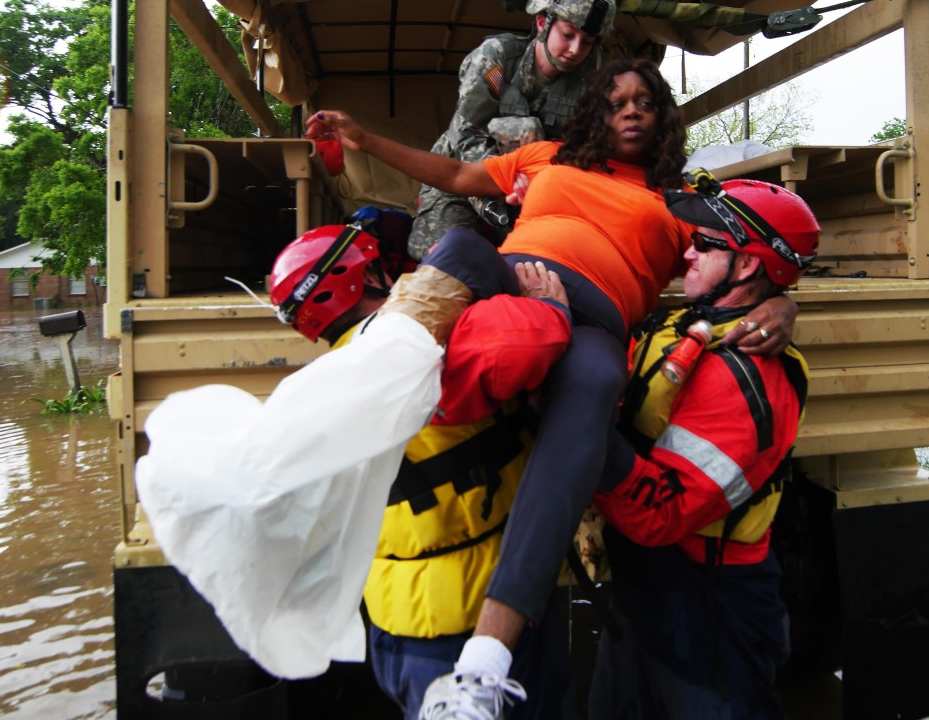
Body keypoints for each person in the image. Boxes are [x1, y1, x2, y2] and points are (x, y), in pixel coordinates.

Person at [307, 58, 799, 719]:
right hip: (499, 275)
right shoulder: (546, 157)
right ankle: (334, 405)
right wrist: (364, 141)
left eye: (644, 103)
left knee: (596, 387)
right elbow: (453, 176)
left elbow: (753, 248)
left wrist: (785, 306)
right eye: (616, 101)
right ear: (596, 112)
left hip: (591, 319)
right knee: (456, 243)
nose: (630, 111)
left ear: (662, 119)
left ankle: (485, 664)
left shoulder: (677, 198)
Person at [269, 223, 578, 718]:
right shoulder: (420, 353)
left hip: (396, 629)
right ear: (370, 273)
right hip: (470, 633)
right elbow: (524, 343)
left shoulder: (325, 384)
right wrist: (551, 308)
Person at [589, 173, 820, 720]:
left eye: (706, 244)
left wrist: (576, 430)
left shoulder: (747, 381)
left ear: (746, 265)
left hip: (711, 604)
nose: (687, 253)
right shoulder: (681, 322)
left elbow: (658, 513)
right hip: (647, 587)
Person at [406, 0, 616, 260]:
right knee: (448, 259)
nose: (575, 49)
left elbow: (580, 155)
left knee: (544, 265)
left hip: (529, 195)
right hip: (458, 182)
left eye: (588, 42)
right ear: (543, 22)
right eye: (568, 35)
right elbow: (466, 136)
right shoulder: (497, 59)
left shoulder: (589, 86)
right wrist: (505, 177)